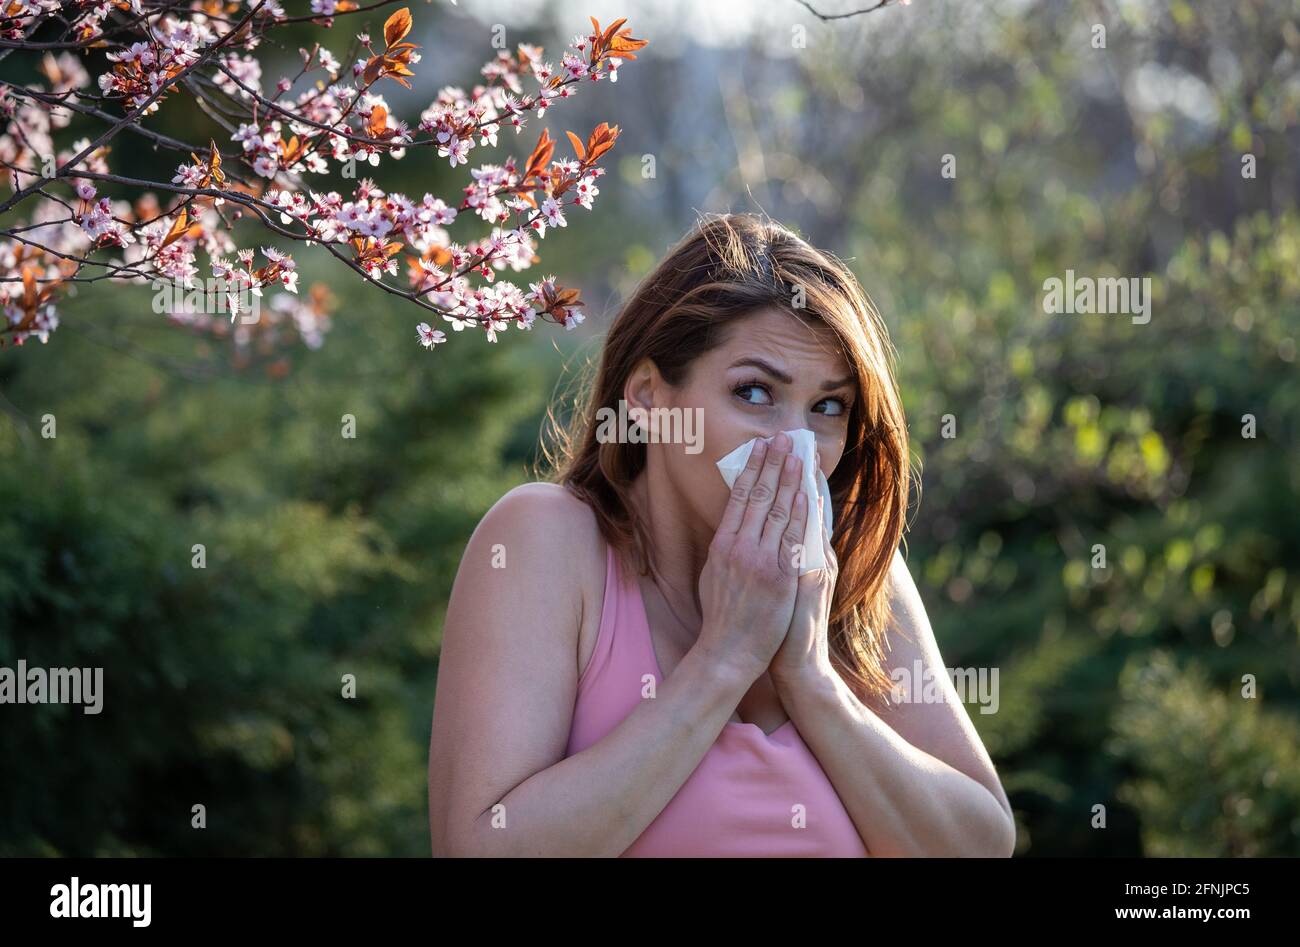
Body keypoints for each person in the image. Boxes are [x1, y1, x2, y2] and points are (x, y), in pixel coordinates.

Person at [427, 212, 1015, 856]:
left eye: (827, 407)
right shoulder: (547, 540)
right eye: (755, 392)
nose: (795, 445)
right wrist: (724, 661)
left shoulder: (849, 567)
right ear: (649, 397)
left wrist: (809, 677)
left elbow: (981, 844)